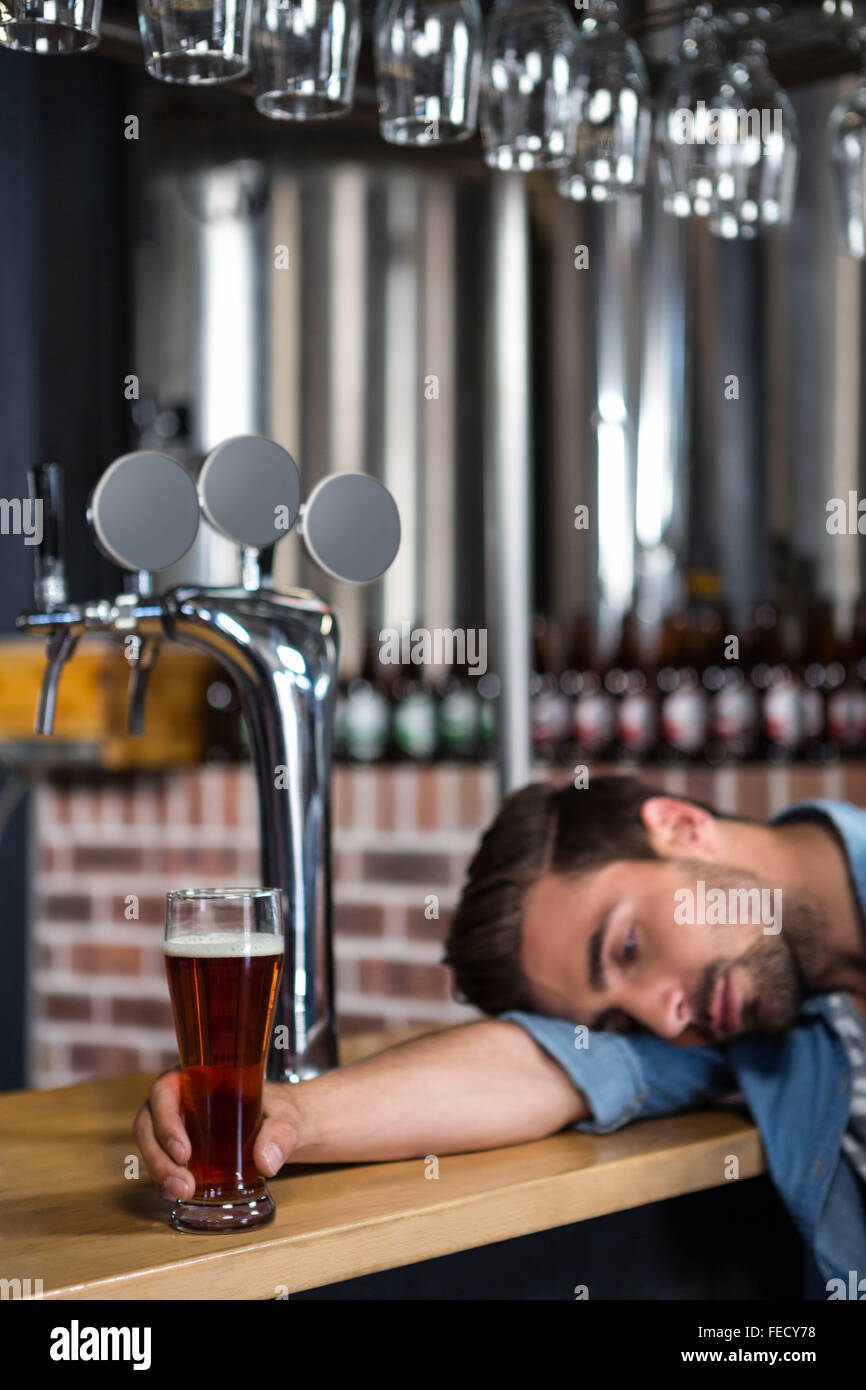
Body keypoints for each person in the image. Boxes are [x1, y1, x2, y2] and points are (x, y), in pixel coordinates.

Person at [134, 776, 866, 1294]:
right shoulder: (745, 1024)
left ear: (679, 827)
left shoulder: (732, 987)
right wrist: (284, 1115)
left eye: (628, 948)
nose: (666, 1018)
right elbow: (534, 1068)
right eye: (616, 1020)